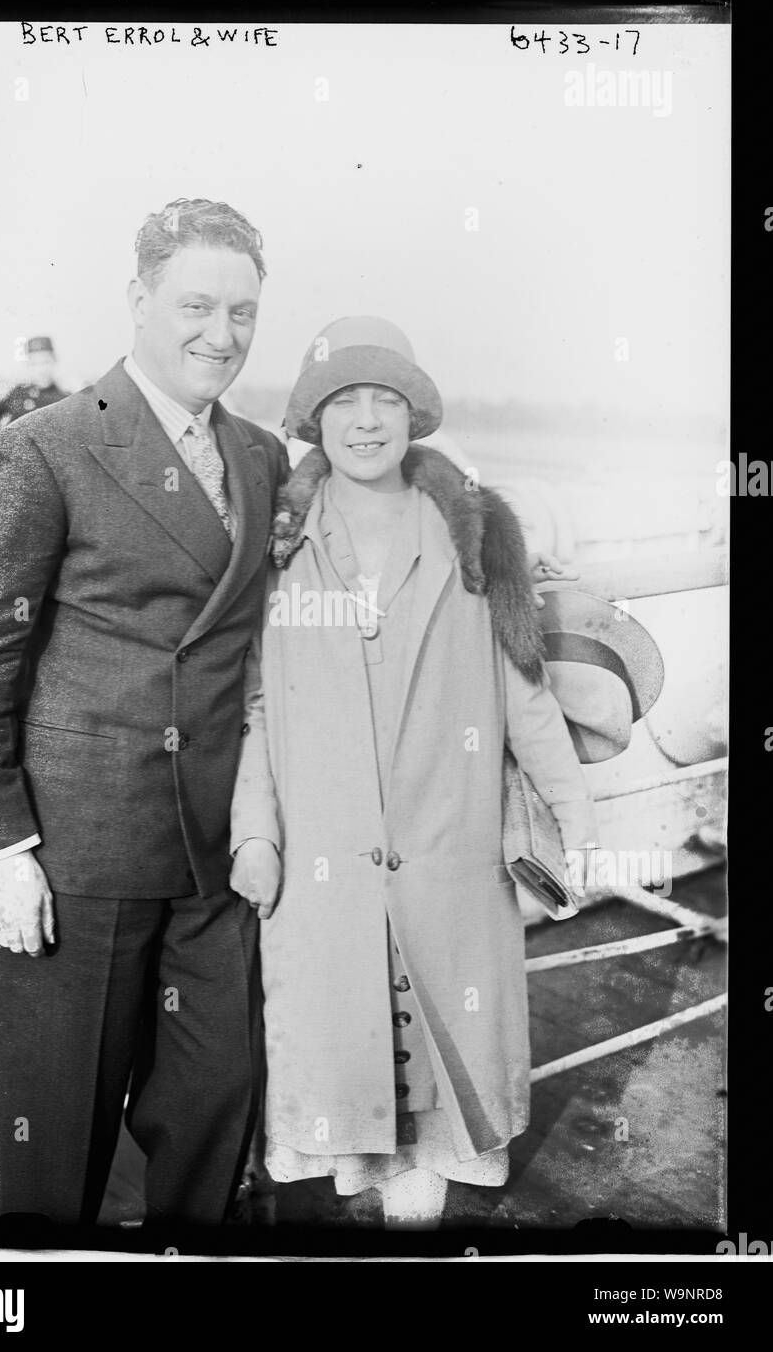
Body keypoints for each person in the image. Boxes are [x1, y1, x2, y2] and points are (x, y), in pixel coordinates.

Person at [0, 199, 288, 1233]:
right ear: (137, 301)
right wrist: (2, 845)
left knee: (218, 1111)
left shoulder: (262, 457)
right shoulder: (47, 447)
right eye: (196, 305)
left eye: (243, 313)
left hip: (217, 855)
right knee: (59, 1150)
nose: (221, 335)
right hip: (78, 858)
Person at [229, 317, 599, 1228]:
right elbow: (255, 706)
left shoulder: (478, 537)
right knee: (342, 1064)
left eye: (385, 400)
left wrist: (575, 812)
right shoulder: (274, 543)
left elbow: (526, 692)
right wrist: (254, 831)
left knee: (444, 1080)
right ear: (313, 420)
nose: (365, 421)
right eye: (343, 401)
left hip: (450, 850)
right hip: (322, 855)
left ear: (413, 415)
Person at [0, 337, 67, 449]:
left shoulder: (63, 400)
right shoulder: (19, 394)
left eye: (45, 362)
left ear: (54, 361)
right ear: (28, 366)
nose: (41, 369)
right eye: (34, 364)